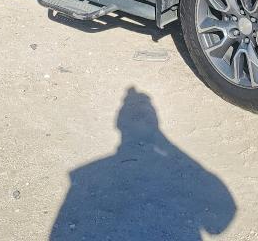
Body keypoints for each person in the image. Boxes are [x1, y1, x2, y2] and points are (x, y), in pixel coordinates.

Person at [50, 87, 236, 240]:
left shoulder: (84, 176)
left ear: (118, 125)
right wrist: (163, 141)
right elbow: (218, 223)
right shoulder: (84, 176)